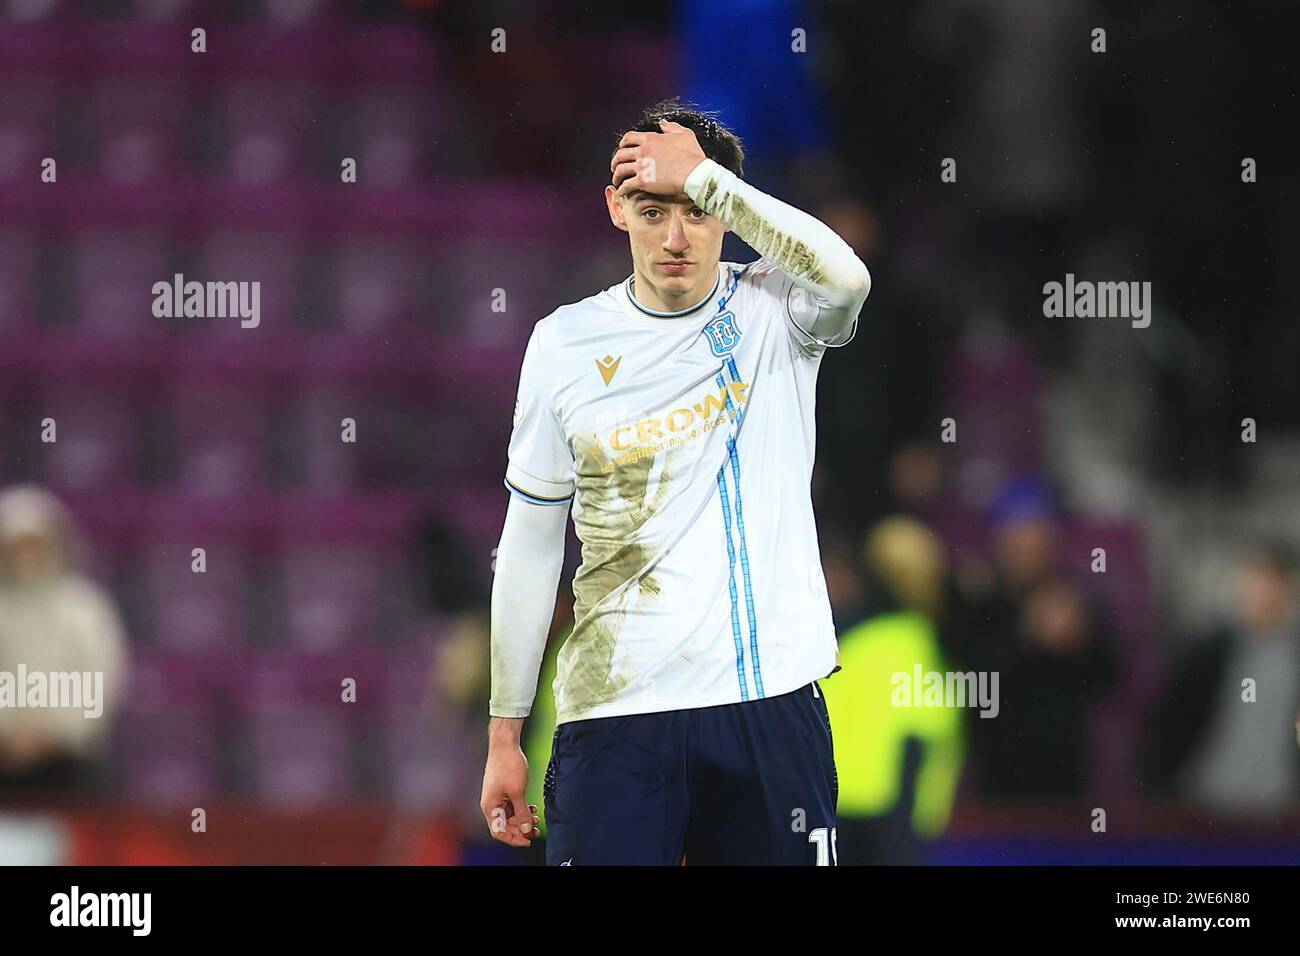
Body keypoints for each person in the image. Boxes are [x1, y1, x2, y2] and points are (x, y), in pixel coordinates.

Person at [479, 98, 871, 865]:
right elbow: (528, 545)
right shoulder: (562, 344)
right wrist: (504, 732)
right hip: (616, 714)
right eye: (652, 208)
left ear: (727, 208)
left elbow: (849, 278)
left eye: (697, 207)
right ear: (615, 209)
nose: (675, 236)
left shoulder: (774, 311)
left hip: (769, 702)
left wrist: (707, 176)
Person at [0, 486, 129, 802]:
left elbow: (103, 680)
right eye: (17, 546)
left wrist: (54, 733)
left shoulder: (85, 610)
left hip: (68, 763)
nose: (25, 556)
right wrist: (10, 735)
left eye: (34, 545)